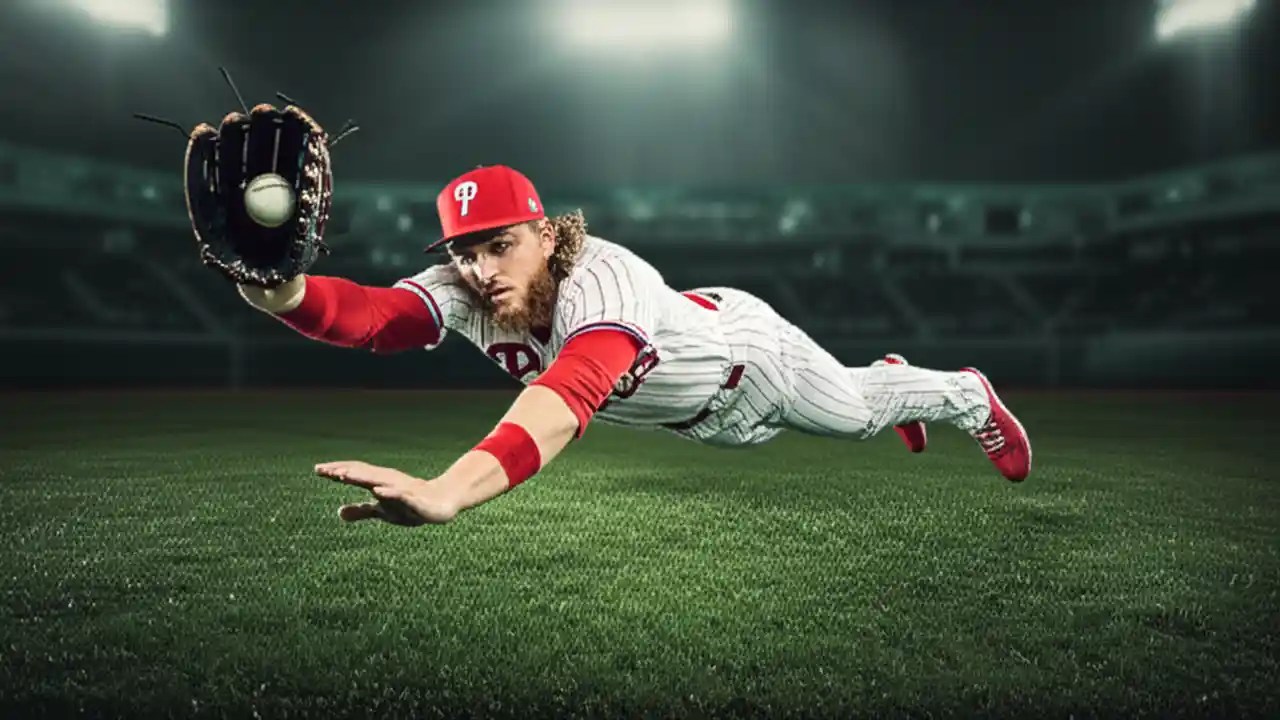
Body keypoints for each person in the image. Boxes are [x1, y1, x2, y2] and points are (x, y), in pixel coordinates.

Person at [237, 165, 1032, 526]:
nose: (480, 269)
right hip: (691, 417)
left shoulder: (602, 277)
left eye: (500, 244)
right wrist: (272, 287)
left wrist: (451, 489)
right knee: (851, 403)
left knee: (856, 412)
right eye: (464, 252)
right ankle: (888, 381)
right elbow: (368, 317)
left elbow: (567, 396)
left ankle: (964, 391)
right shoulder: (466, 289)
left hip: (750, 362)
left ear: (546, 234)